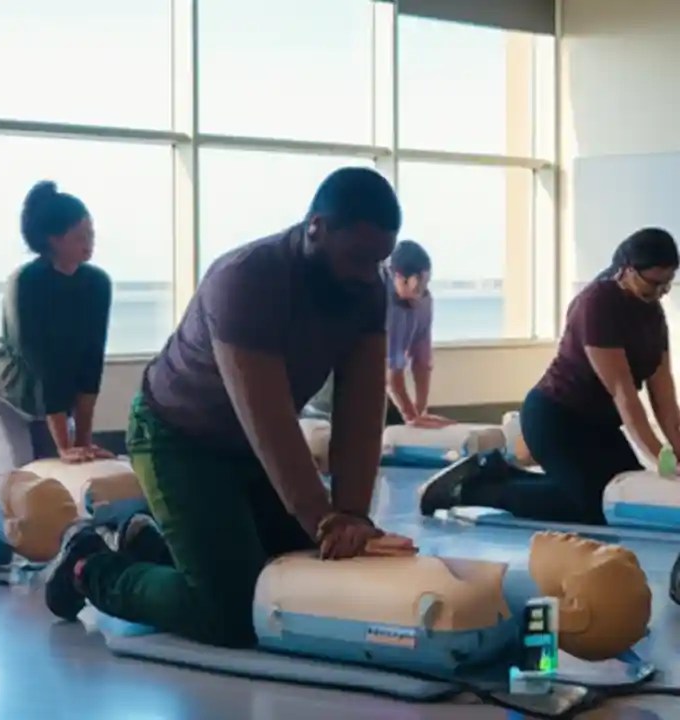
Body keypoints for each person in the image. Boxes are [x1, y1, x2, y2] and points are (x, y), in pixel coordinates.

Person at [42, 167, 417, 648]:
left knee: (308, 572)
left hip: (247, 453)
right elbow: (270, 422)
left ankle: (153, 549)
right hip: (177, 440)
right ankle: (89, 565)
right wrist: (326, 522)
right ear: (316, 229)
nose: (368, 275)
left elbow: (361, 416)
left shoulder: (367, 289)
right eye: (358, 257)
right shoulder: (247, 279)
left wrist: (353, 518)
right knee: (233, 612)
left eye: (379, 261)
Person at [420, 228, 679, 525]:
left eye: (668, 285)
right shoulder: (598, 303)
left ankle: (499, 471)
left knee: (622, 495)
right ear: (628, 270)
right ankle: (471, 490)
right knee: (590, 506)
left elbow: (665, 399)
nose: (660, 293)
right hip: (556, 418)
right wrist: (662, 460)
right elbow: (625, 396)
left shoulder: (653, 315)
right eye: (654, 283)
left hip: (600, 427)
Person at [0, 181, 114, 479]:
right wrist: (64, 445)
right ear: (54, 240)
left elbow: (92, 363)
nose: (90, 243)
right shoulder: (25, 284)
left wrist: (83, 441)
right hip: (7, 402)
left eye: (91, 234)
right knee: (19, 486)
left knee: (62, 483)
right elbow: (43, 367)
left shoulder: (97, 284)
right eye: (80, 236)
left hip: (50, 405)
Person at [304, 239, 451, 428]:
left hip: (373, 385)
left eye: (425, 284)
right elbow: (391, 372)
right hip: (332, 387)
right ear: (398, 277)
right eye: (417, 286)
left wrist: (420, 409)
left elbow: (422, 361)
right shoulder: (379, 296)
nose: (421, 293)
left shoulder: (425, 302)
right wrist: (412, 416)